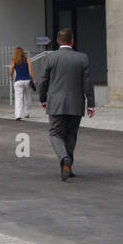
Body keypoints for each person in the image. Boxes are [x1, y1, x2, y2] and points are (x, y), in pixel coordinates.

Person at [37, 28, 96, 181]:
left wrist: (42, 98)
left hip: (56, 103)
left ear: (57, 41)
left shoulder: (51, 58)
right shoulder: (82, 58)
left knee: (55, 133)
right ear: (72, 41)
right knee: (71, 135)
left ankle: (64, 158)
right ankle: (68, 167)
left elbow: (43, 80)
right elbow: (88, 83)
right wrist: (91, 104)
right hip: (76, 103)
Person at [9, 46, 35, 119]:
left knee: (18, 99)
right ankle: (26, 113)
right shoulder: (27, 60)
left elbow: (11, 71)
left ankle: (18, 115)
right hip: (27, 81)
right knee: (27, 97)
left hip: (18, 81)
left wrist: (11, 78)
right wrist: (33, 79)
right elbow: (31, 72)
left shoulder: (14, 61)